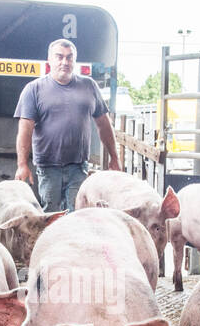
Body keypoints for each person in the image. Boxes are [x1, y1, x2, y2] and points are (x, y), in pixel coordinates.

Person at [13, 38, 121, 211]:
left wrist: (114, 157)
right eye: (59, 57)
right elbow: (25, 130)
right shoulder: (33, 89)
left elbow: (104, 125)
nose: (65, 62)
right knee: (51, 214)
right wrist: (22, 164)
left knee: (77, 212)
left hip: (78, 166)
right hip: (48, 166)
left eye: (70, 57)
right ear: (50, 60)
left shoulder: (89, 86)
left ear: (74, 60)